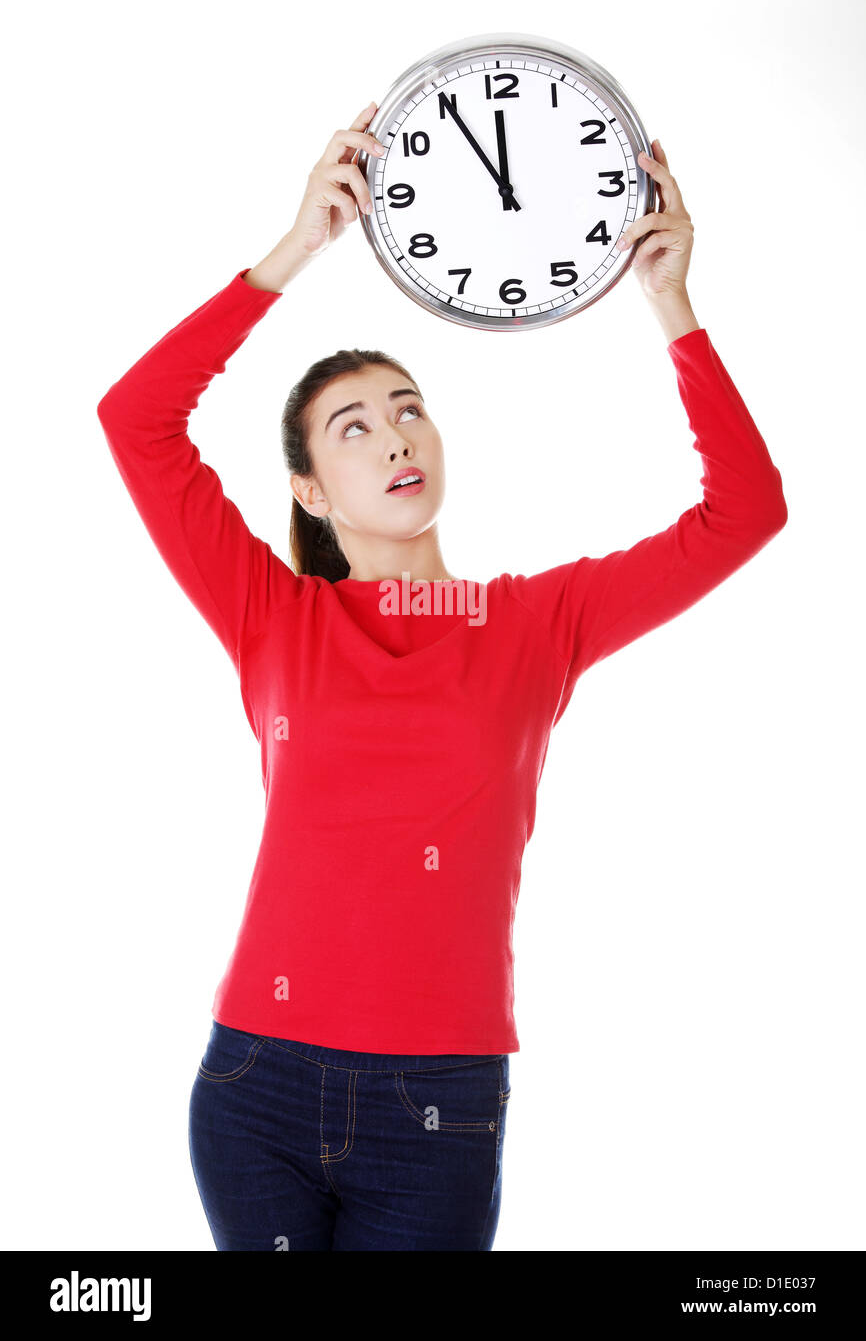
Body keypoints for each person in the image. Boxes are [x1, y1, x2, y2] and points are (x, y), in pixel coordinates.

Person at [96, 101, 788, 1251]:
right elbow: (136, 420)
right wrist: (293, 249)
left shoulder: (533, 620)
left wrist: (670, 305)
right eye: (353, 427)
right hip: (253, 1087)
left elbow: (743, 515)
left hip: (439, 1104)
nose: (396, 436)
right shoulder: (271, 612)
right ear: (311, 492)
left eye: (408, 409)